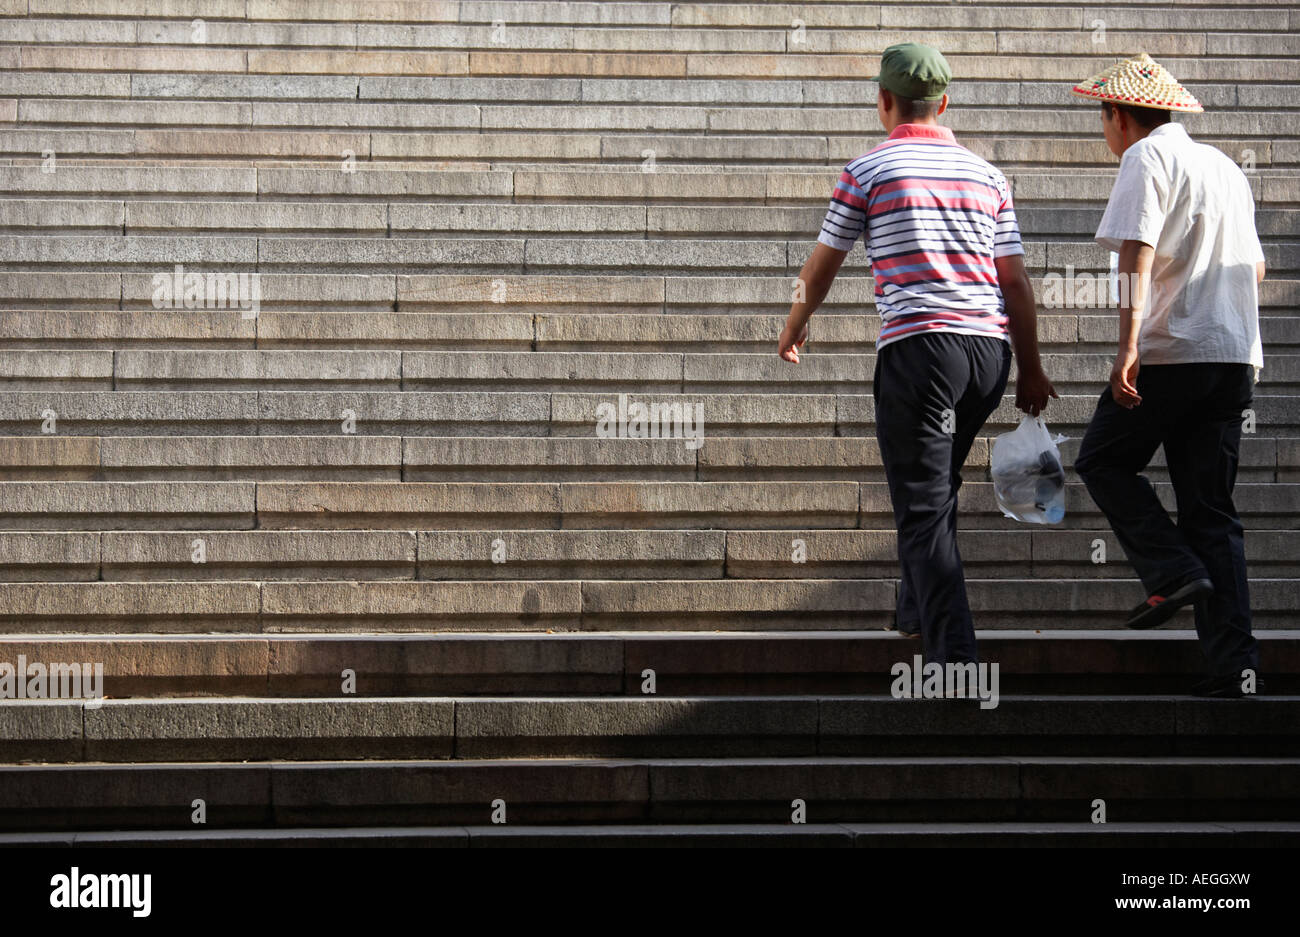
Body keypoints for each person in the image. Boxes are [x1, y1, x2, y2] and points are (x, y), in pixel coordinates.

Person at [777, 42, 1056, 665]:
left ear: (884, 102)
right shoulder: (989, 177)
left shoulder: (869, 170)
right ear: (944, 104)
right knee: (936, 487)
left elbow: (822, 268)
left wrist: (796, 323)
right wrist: (1032, 366)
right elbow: (1014, 281)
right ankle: (913, 613)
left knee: (923, 499)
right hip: (987, 355)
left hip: (921, 351)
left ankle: (954, 655)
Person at [1070, 54, 1266, 698]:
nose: (1105, 134)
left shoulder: (1145, 158)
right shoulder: (1225, 168)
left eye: (1103, 119)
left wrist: (1127, 345)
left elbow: (1137, 251)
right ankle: (1234, 667)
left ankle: (1172, 568)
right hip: (1233, 354)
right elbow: (1256, 270)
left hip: (1172, 351)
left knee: (1102, 461)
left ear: (1120, 116)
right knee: (1212, 511)